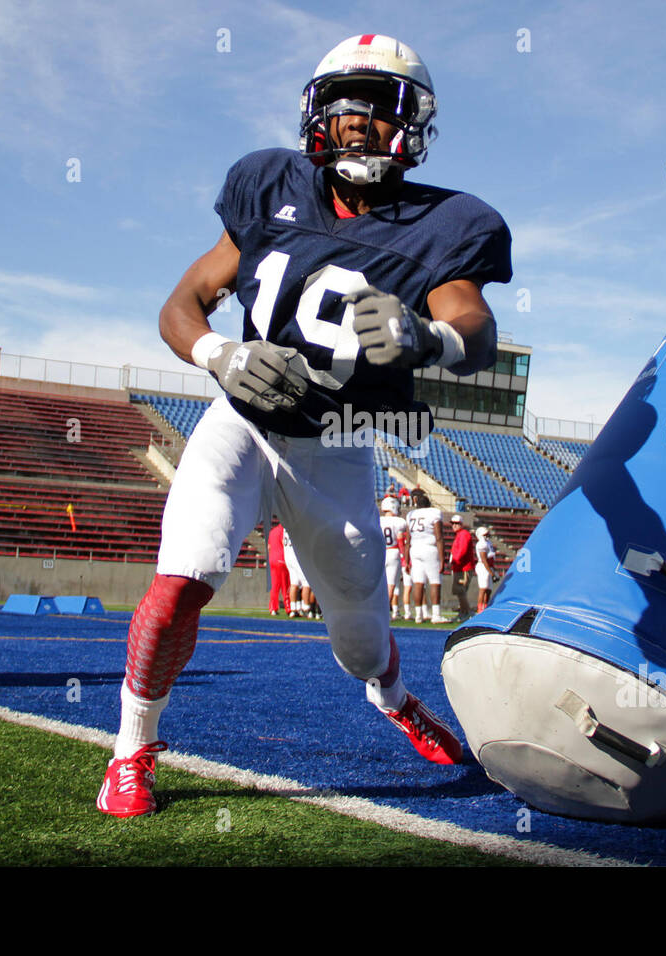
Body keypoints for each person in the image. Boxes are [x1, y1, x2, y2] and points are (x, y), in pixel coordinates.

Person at [98, 33, 511, 816]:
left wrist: (431, 337)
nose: (355, 121)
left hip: (342, 444)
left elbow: (475, 325)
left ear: (413, 122)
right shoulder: (267, 184)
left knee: (358, 645)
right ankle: (130, 751)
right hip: (241, 425)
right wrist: (219, 353)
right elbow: (179, 305)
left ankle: (391, 695)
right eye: (341, 103)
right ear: (315, 115)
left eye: (377, 104)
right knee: (179, 585)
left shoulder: (450, 222)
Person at [406, 488, 448, 622]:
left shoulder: (411, 514)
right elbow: (439, 537)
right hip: (429, 548)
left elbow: (407, 540)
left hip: (414, 549)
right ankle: (436, 614)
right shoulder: (434, 513)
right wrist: (442, 559)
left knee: (418, 583)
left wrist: (406, 560)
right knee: (435, 582)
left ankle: (418, 615)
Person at [379, 497, 410, 618]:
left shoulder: (378, 520)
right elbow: (401, 540)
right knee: (391, 584)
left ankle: (379, 610)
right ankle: (385, 612)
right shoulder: (399, 522)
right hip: (393, 552)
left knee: (380, 584)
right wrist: (404, 560)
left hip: (380, 552)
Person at [447, 513, 475, 620]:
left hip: (463, 568)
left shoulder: (464, 534)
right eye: (453, 523)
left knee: (461, 591)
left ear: (461, 524)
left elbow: (462, 551)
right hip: (459, 567)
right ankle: (464, 612)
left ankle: (467, 612)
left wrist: (454, 561)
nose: (454, 525)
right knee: (459, 592)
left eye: (457, 523)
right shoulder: (460, 535)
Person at [266, 519, 290, 614]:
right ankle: (289, 608)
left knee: (274, 586)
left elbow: (269, 547)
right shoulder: (284, 531)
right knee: (285, 586)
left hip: (273, 560)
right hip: (282, 560)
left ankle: (273, 608)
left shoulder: (272, 531)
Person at [474, 525, 497, 612]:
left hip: (489, 567)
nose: (487, 536)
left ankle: (485, 608)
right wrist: (491, 572)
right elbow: (484, 559)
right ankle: (480, 609)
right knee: (483, 588)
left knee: (488, 590)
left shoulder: (488, 543)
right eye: (485, 534)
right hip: (483, 567)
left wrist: (493, 570)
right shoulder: (481, 544)